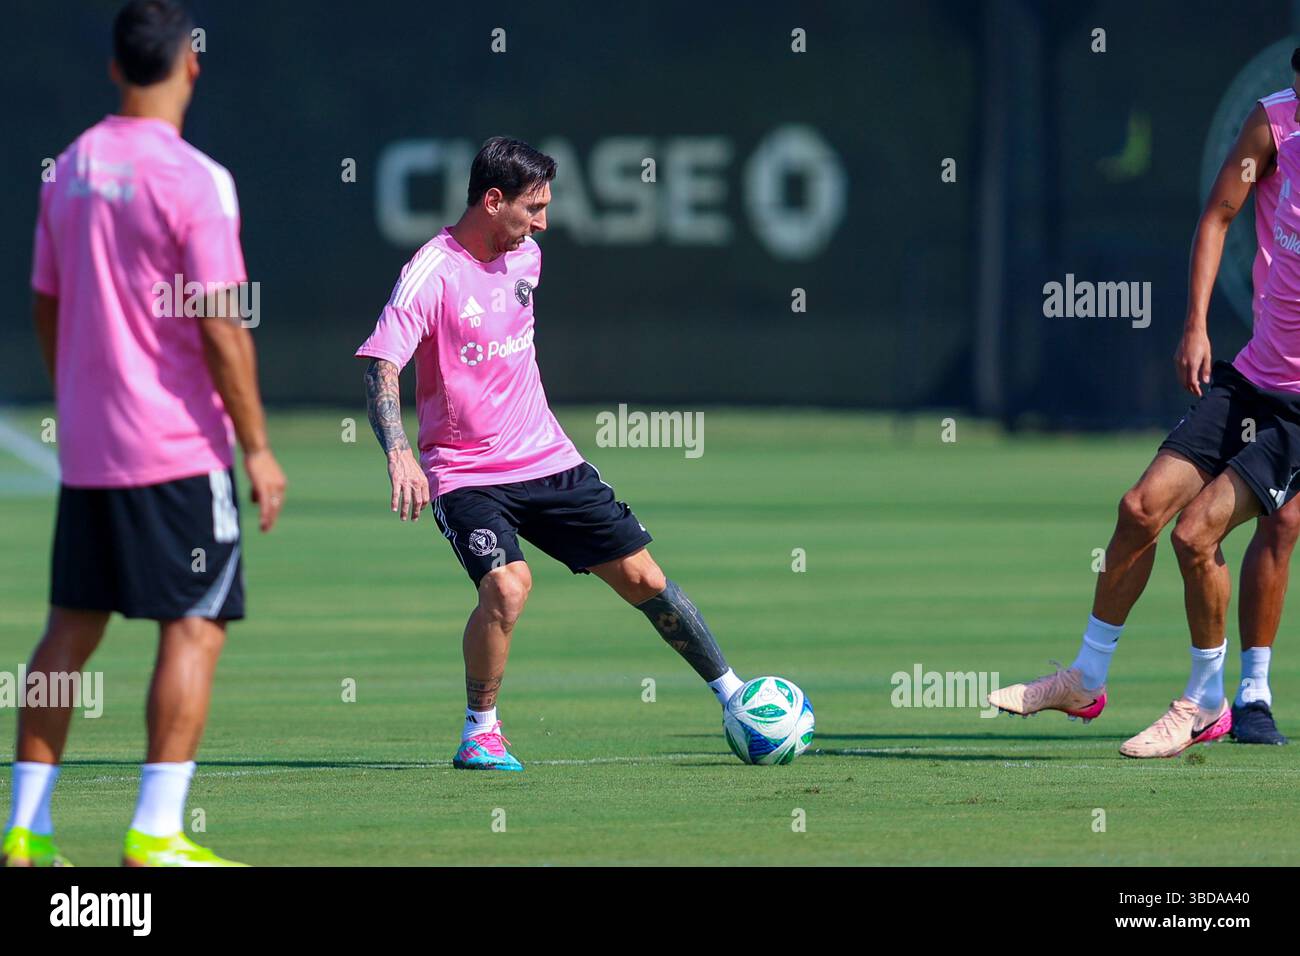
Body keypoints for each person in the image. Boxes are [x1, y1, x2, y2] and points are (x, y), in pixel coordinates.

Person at [1, 0, 286, 867]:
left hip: (91, 451)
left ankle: (25, 830)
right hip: (176, 452)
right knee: (193, 625)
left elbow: (47, 304)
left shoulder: (71, 167)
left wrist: (82, 396)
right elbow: (223, 325)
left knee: (69, 630)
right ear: (190, 66)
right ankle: (154, 832)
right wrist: (259, 446)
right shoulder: (198, 179)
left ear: (116, 68)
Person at [356, 137, 745, 771]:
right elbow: (381, 362)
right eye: (532, 207)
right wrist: (398, 452)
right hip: (467, 474)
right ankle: (480, 731)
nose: (542, 222)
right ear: (492, 200)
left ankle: (734, 699)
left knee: (646, 579)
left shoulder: (527, 259)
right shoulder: (431, 272)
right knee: (509, 588)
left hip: (549, 460)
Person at [988, 69, 1300, 757]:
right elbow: (1220, 215)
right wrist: (1195, 324)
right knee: (1139, 509)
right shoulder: (1274, 124)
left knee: (1198, 535)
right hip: (1249, 378)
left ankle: (1206, 701)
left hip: (1298, 414)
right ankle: (1086, 678)